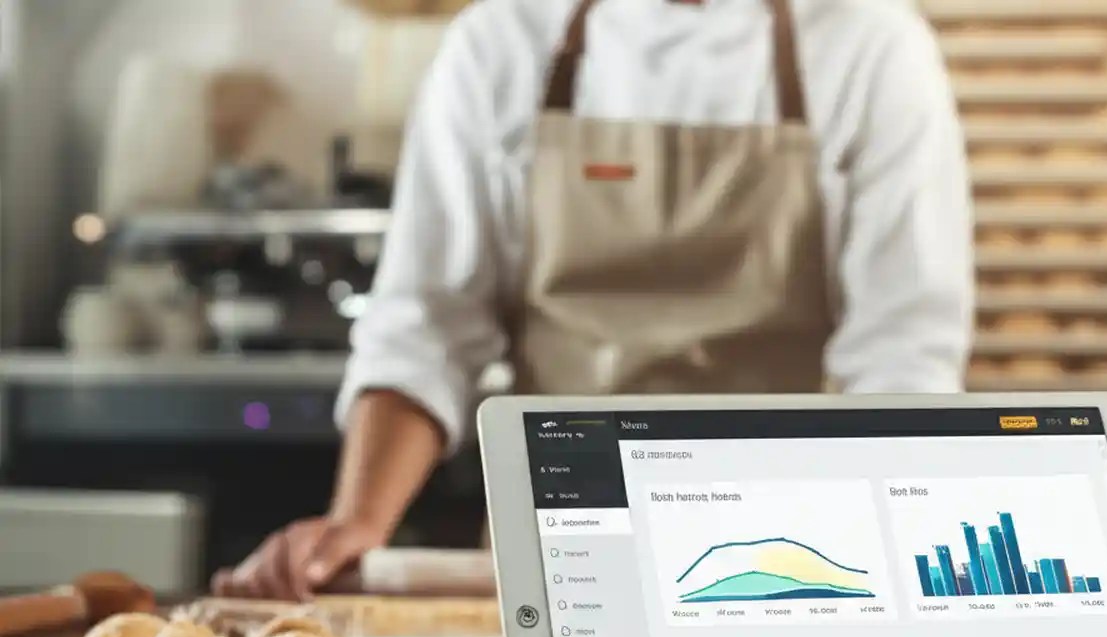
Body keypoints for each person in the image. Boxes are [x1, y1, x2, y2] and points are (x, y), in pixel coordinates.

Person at [213, 0, 973, 600]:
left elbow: (903, 353)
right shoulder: (501, 39)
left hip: (781, 551)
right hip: (560, 548)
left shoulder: (871, 44)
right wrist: (359, 523)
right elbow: (428, 325)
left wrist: (889, 550)